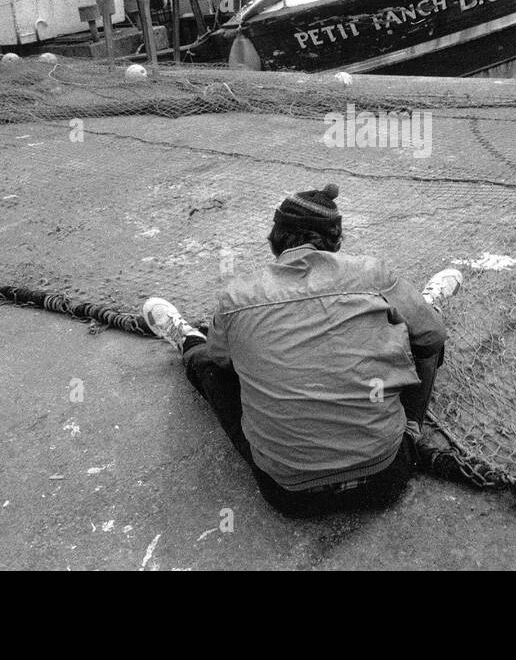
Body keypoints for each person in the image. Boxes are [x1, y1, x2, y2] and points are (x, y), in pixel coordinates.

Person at [143, 183, 456, 517]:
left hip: (290, 496)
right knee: (421, 334)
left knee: (209, 364)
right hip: (385, 479)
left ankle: (187, 338)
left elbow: (221, 362)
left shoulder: (236, 298)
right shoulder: (372, 274)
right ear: (336, 241)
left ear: (275, 239)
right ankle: (424, 313)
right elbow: (433, 340)